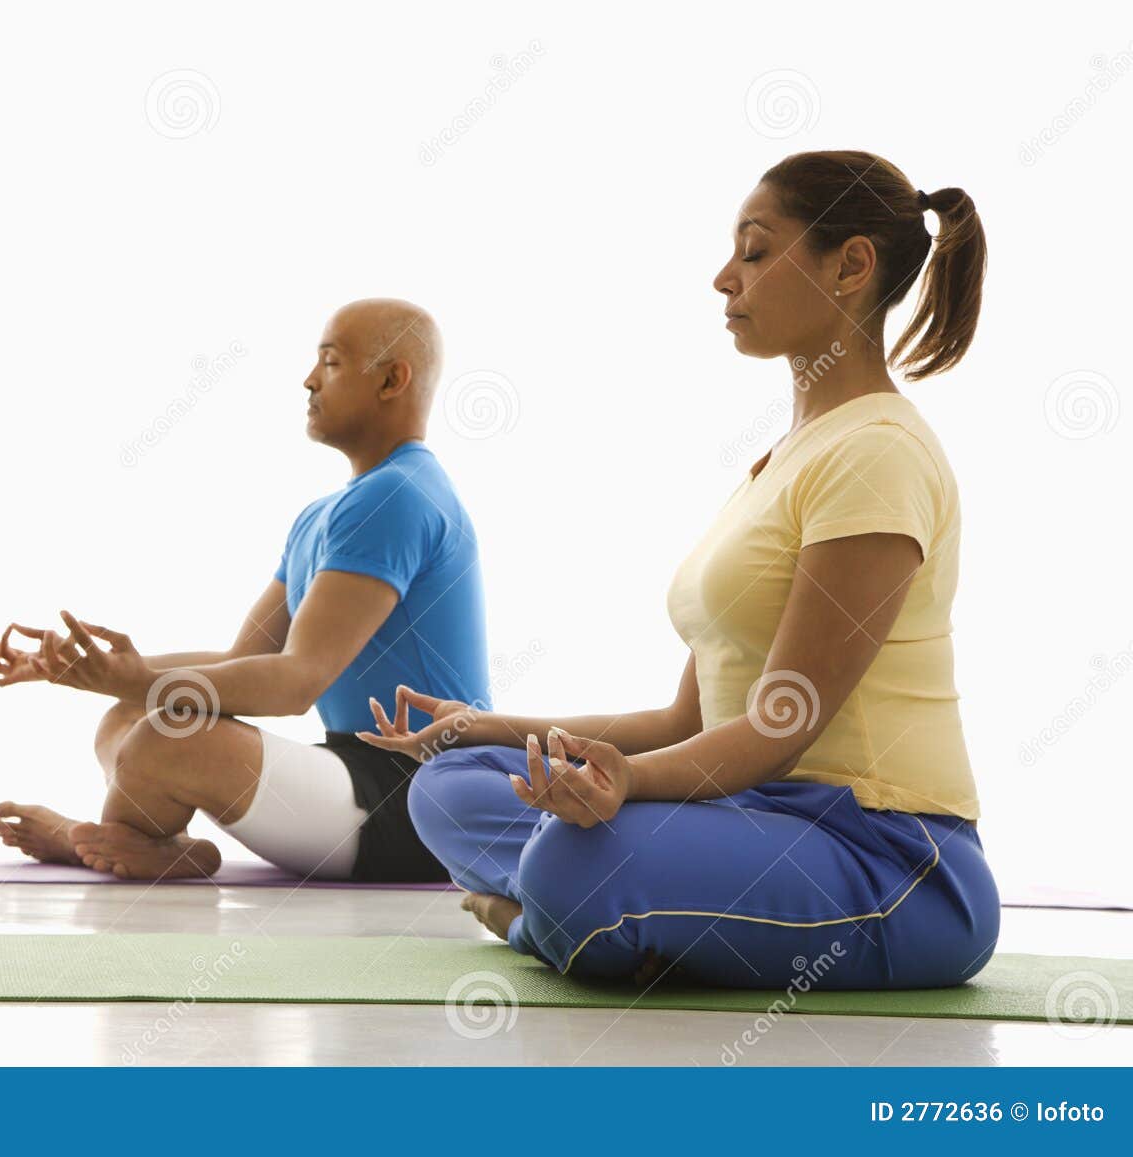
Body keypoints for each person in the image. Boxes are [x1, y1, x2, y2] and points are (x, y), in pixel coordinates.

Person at [360, 151, 1000, 990]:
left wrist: (623, 786)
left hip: (893, 859)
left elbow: (780, 726)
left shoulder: (876, 453)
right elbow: (682, 720)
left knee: (566, 860)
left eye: (757, 251)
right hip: (755, 817)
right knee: (449, 786)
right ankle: (603, 914)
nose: (723, 278)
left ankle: (546, 916)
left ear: (850, 266)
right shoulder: (783, 462)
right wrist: (488, 726)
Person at [0, 298, 490, 882]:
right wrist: (96, 670)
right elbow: (244, 662)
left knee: (161, 729)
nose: (308, 380)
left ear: (391, 379)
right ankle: (143, 841)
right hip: (354, 775)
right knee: (130, 711)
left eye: (330, 362)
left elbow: (297, 682)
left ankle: (98, 839)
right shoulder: (323, 515)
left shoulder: (399, 494)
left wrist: (138, 679)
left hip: (421, 798)